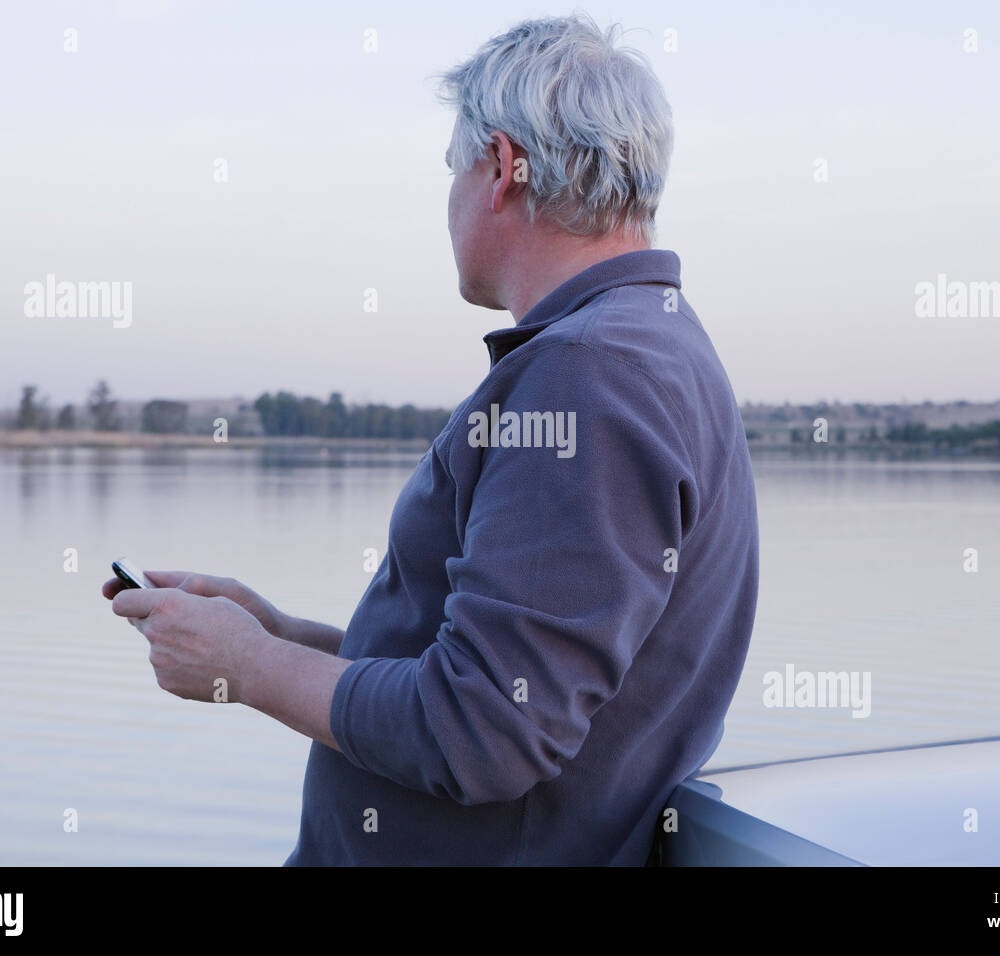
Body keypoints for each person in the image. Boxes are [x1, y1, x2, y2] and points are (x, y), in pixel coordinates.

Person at [103, 13, 759, 866]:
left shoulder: (590, 374)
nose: (447, 197)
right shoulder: (653, 342)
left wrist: (252, 669)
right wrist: (277, 634)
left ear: (502, 167)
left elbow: (483, 730)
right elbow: (506, 679)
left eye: (455, 168)